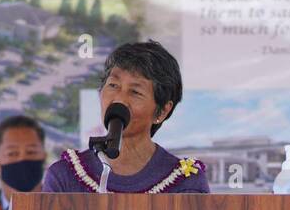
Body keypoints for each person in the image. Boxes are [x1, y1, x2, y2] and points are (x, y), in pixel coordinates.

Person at [43, 40, 209, 194]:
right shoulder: (64, 176)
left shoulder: (186, 182)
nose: (120, 99)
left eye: (135, 92)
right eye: (113, 85)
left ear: (162, 111)